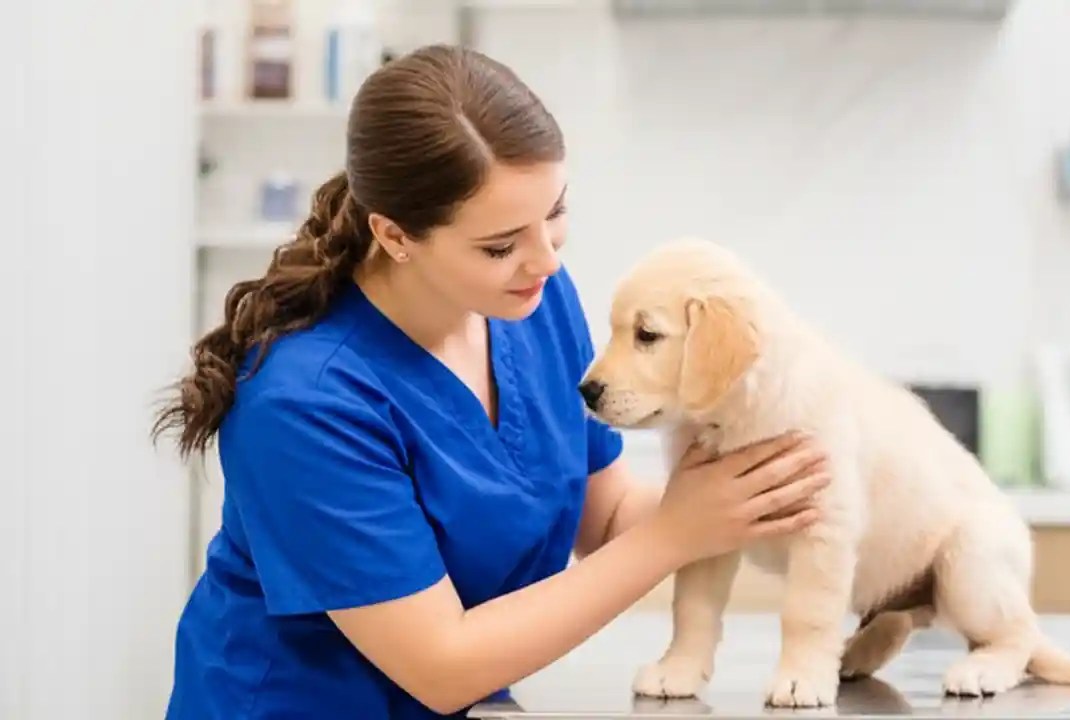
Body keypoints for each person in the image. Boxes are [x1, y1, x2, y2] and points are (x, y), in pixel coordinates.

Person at [153, 44, 830, 720]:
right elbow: (441, 666)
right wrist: (678, 533)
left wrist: (766, 504)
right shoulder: (304, 402)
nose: (543, 259)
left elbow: (609, 517)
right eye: (501, 245)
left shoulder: (533, 303)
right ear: (394, 235)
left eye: (554, 213)